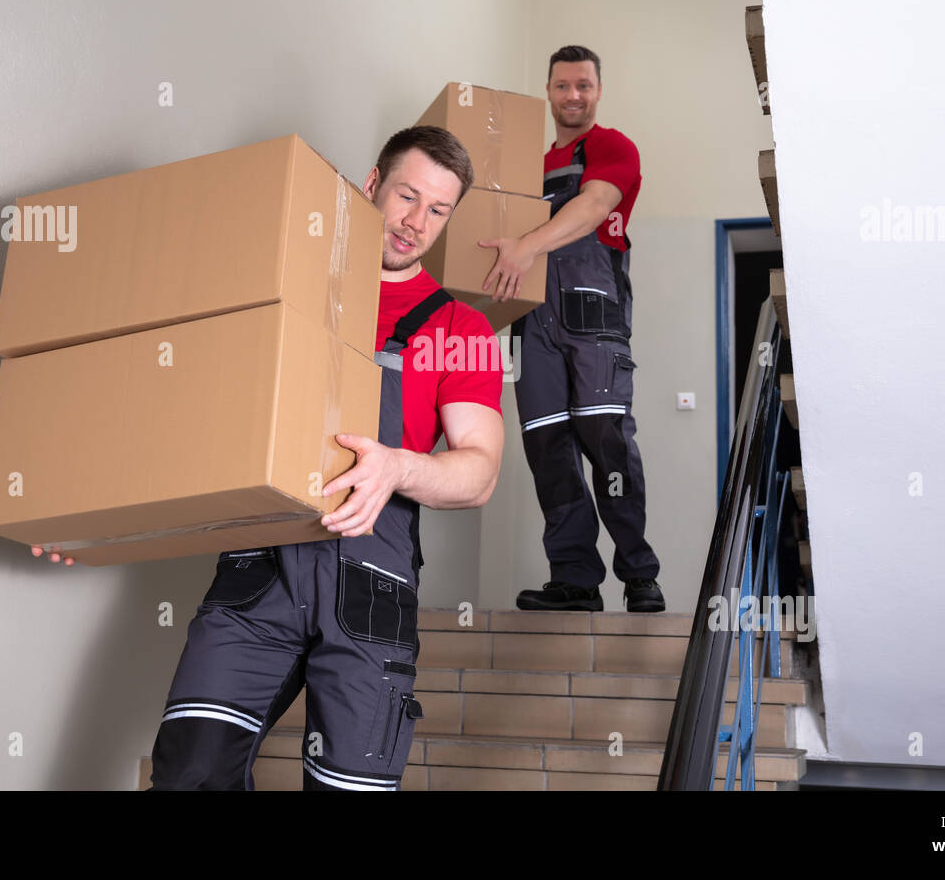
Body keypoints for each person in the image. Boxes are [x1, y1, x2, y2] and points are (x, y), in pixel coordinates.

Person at [146, 126, 505, 789]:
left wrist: (398, 466)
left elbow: (479, 469)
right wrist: (88, 523)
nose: (414, 222)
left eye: (437, 210)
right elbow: (193, 417)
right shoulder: (289, 291)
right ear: (371, 185)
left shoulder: (462, 329)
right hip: (259, 572)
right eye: (406, 195)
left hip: (371, 587)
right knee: (188, 774)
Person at [479, 45, 664, 613]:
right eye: (562, 86)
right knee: (548, 448)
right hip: (533, 324)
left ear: (598, 90)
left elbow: (591, 208)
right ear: (549, 91)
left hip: (591, 319)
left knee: (606, 443)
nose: (573, 96)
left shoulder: (612, 147)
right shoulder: (528, 168)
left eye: (583, 85)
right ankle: (576, 579)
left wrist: (526, 246)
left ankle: (638, 573)